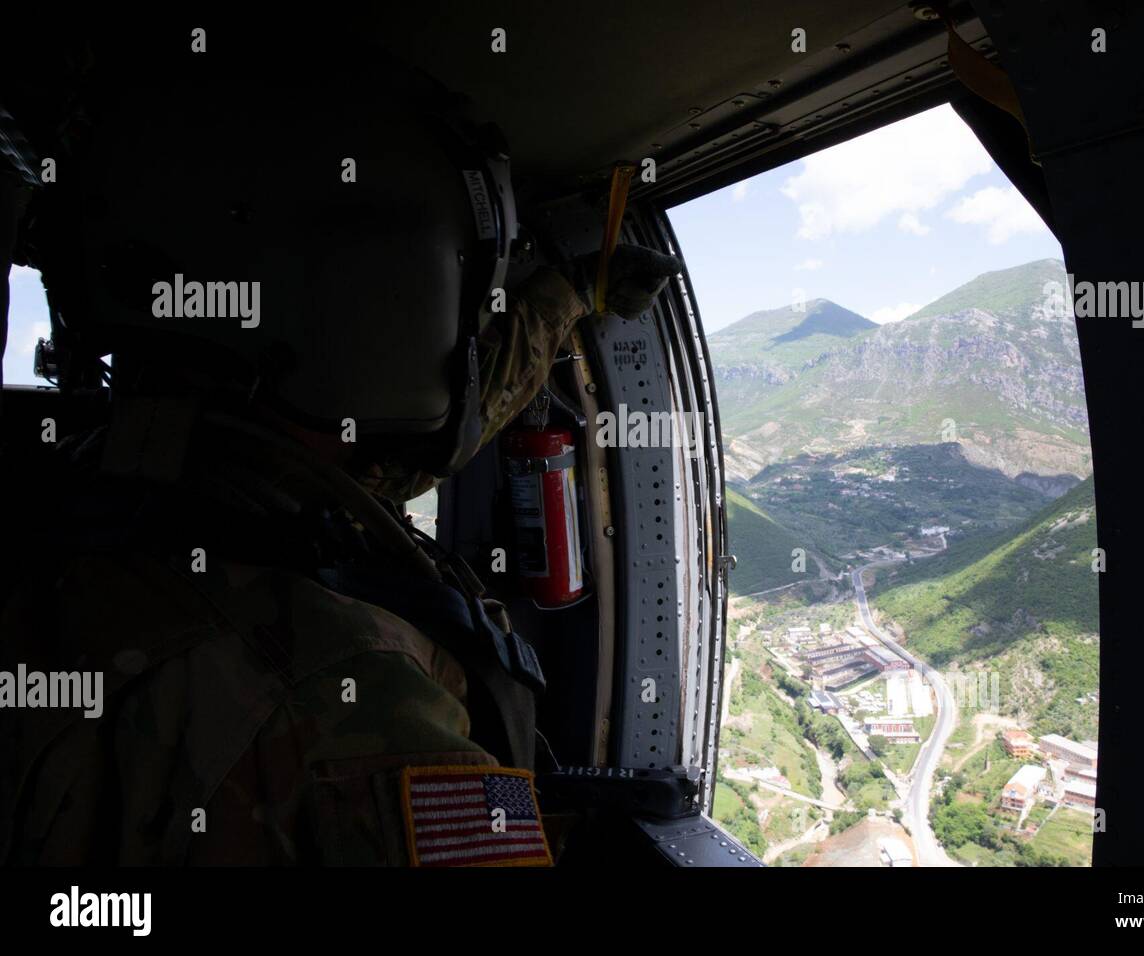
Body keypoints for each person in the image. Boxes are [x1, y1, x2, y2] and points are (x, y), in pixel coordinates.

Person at [0, 35, 678, 865]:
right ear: (361, 305)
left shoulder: (119, 480)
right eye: (461, 302)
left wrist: (568, 297)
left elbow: (411, 449)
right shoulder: (346, 701)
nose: (464, 343)